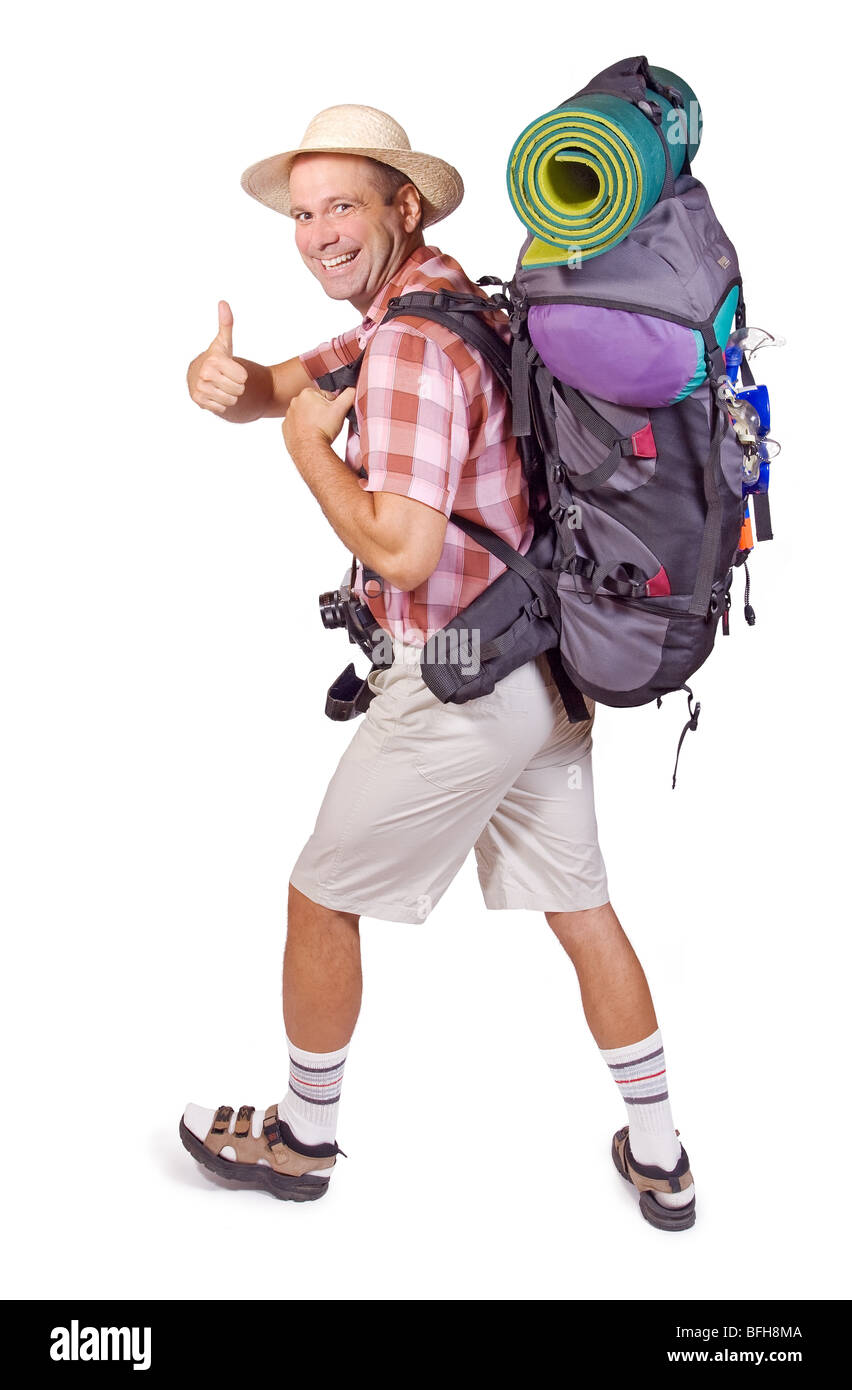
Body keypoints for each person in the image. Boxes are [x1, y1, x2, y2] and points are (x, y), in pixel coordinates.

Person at [181, 105, 696, 1230]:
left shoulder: (406, 346)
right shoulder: (444, 298)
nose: (319, 232)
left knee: (320, 899)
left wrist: (306, 453)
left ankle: (303, 1139)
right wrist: (222, 382)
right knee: (584, 910)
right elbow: (289, 382)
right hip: (542, 668)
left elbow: (402, 545)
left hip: (460, 674)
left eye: (343, 206)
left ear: (401, 205)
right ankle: (660, 1154)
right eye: (304, 212)